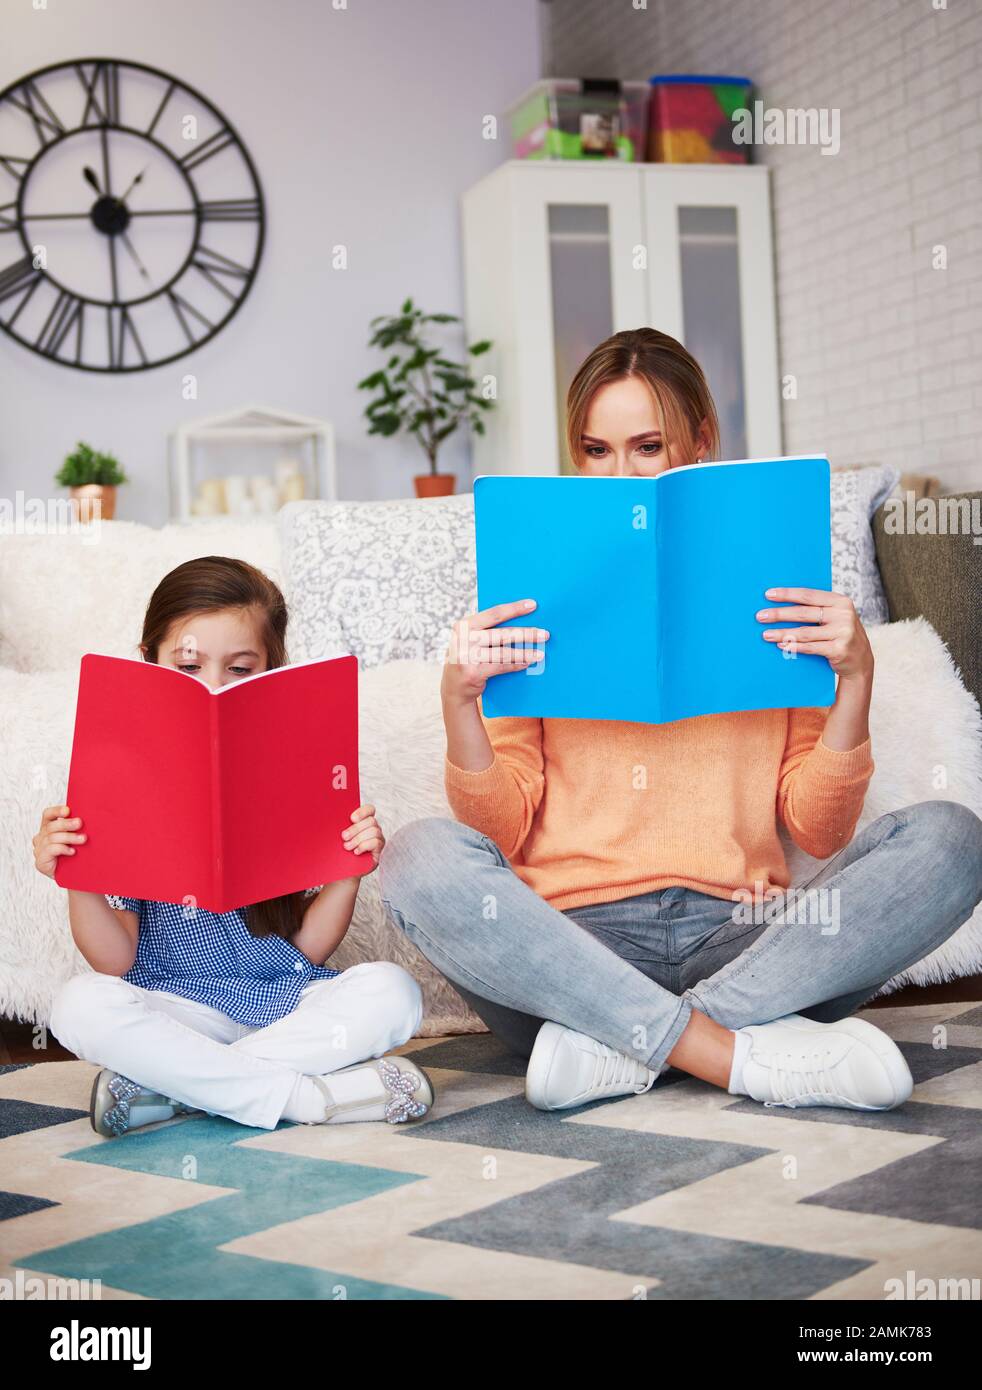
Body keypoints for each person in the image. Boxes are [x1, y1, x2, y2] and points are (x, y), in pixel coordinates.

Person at [378, 327, 982, 1115]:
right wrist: (461, 701)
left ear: (699, 445)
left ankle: (628, 1049)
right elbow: (500, 829)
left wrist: (856, 679)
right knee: (417, 857)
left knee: (952, 839)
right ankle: (733, 1054)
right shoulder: (538, 592)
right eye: (595, 449)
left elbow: (820, 830)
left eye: (647, 446)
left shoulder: (772, 590)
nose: (619, 473)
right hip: (569, 954)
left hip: (752, 942)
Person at [38, 556, 432, 1138]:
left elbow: (307, 949)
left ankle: (175, 1090)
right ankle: (310, 1098)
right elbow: (114, 961)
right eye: (189, 665)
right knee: (77, 1004)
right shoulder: (121, 786)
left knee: (394, 992)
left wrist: (348, 872)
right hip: (176, 1013)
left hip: (289, 1006)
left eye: (241, 669)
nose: (214, 687)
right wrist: (81, 876)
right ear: (149, 664)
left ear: (274, 671)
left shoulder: (300, 772)